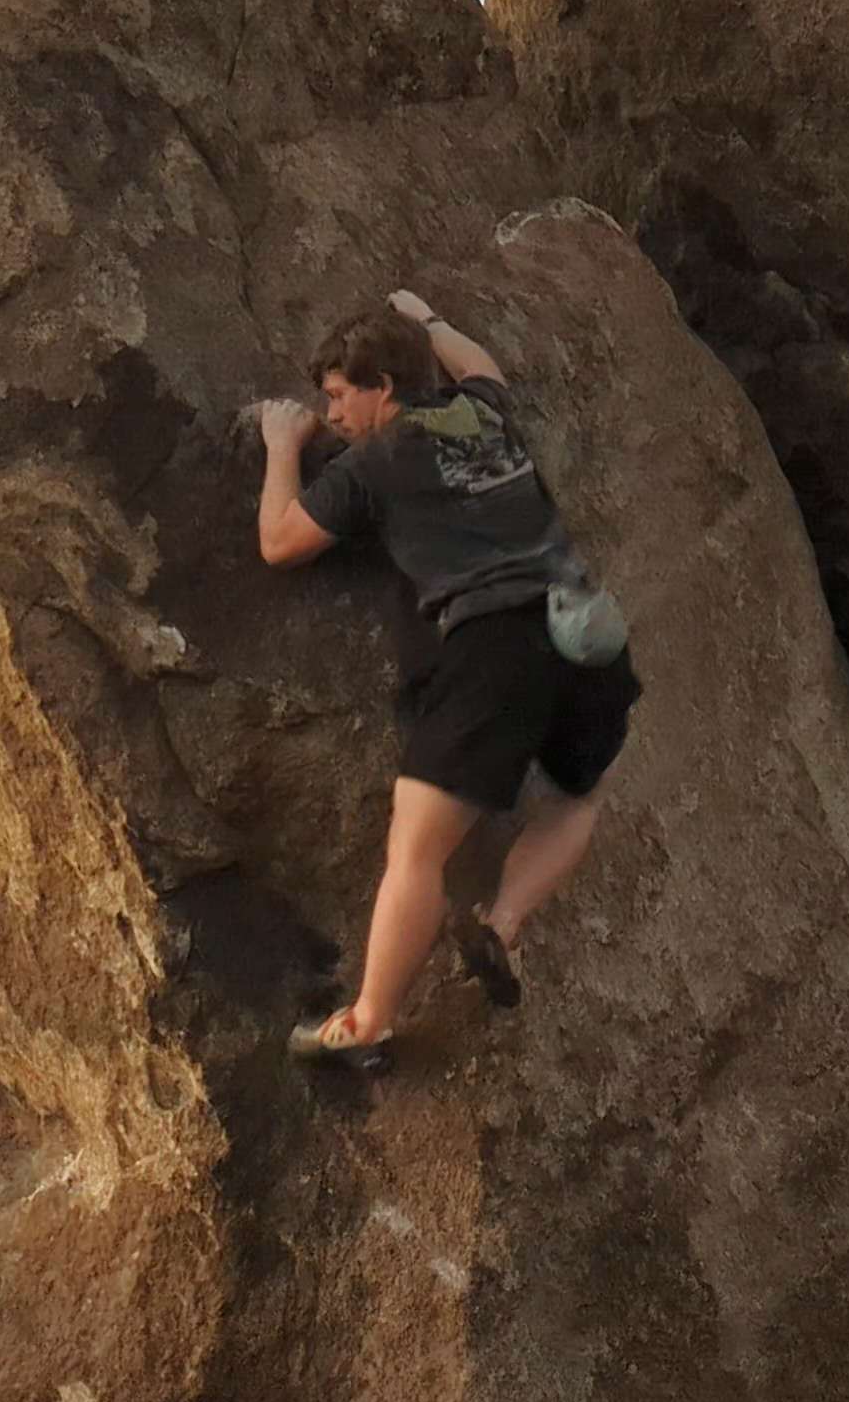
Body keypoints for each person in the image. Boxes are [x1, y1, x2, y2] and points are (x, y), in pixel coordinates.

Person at [252, 290, 639, 1068]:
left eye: (336, 397)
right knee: (577, 797)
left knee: (416, 849)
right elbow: (482, 366)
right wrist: (427, 322)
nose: (331, 415)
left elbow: (280, 542)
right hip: (590, 635)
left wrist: (280, 446)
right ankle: (501, 925)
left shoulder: (377, 460)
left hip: (496, 648)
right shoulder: (483, 415)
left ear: (382, 391)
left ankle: (367, 1021)